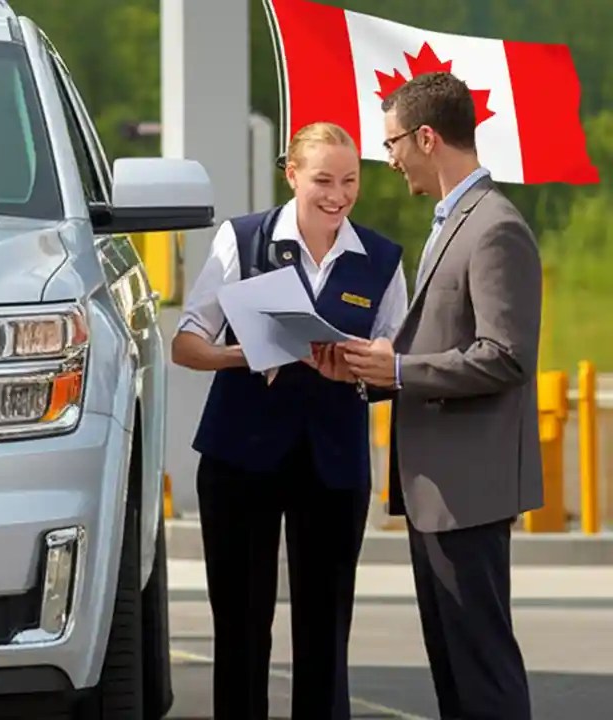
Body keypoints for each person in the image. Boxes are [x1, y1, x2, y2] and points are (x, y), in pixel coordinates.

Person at [170, 121, 408, 720]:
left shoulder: (381, 259)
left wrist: (354, 365)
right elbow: (186, 342)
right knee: (242, 624)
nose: (337, 194)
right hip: (240, 455)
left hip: (332, 461)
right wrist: (242, 354)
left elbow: (396, 365)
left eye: (350, 180)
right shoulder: (243, 240)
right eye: (323, 179)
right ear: (291, 174)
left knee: (326, 628)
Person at [336, 70, 540, 720]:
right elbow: (442, 340)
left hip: (467, 492)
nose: (389, 158)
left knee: (482, 672)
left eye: (393, 142)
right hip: (438, 493)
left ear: (427, 137)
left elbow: (504, 356)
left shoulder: (494, 228)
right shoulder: (453, 222)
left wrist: (398, 371)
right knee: (454, 673)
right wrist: (372, 368)